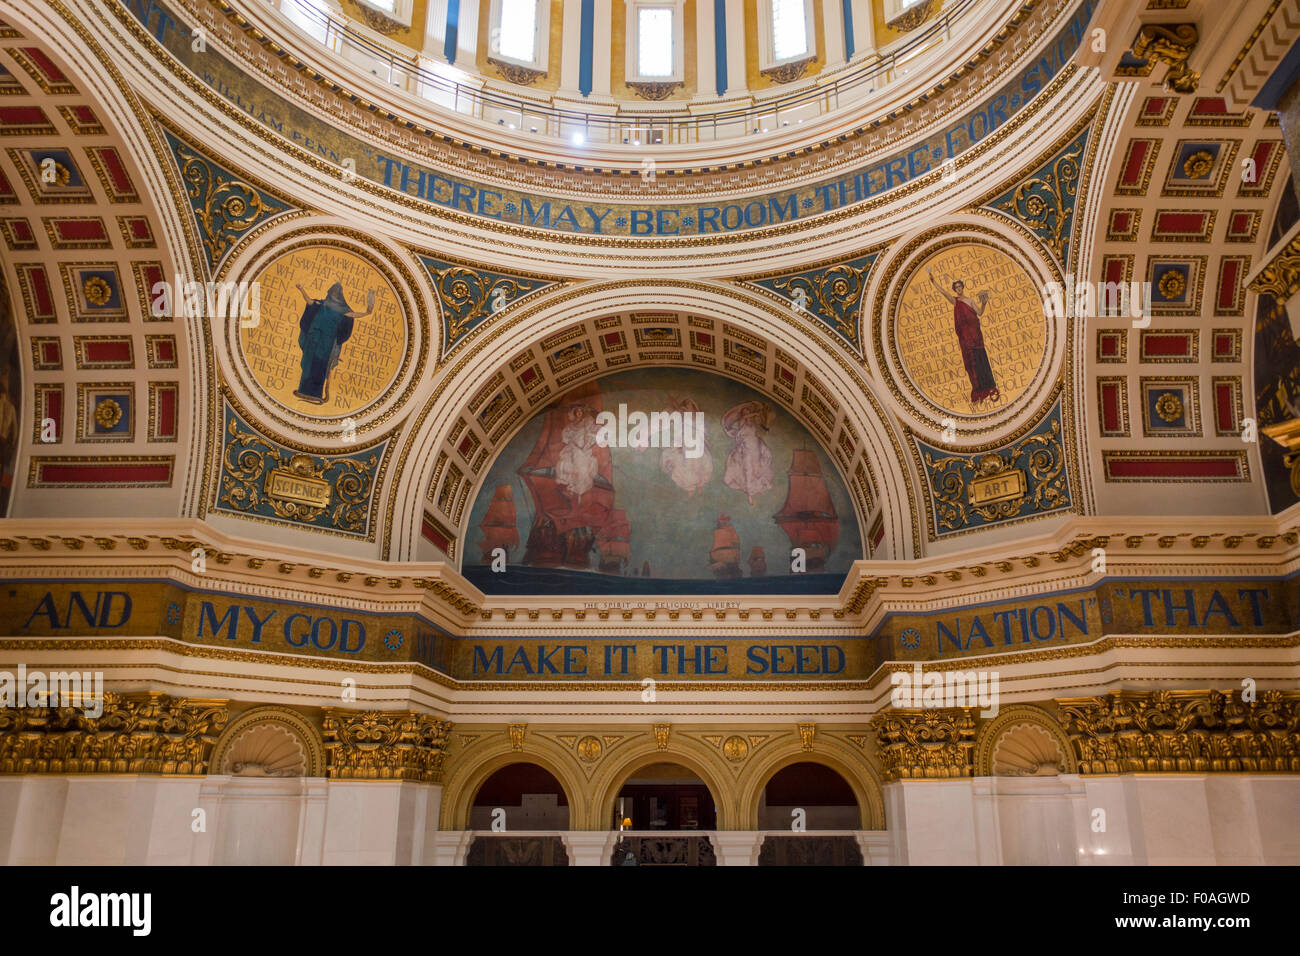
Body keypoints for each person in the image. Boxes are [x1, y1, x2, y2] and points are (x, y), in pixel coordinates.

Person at [293, 282, 376, 404]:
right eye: (333, 291)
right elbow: (309, 301)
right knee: (308, 364)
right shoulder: (322, 304)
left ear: (340, 295)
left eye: (337, 292)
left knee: (320, 365)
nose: (334, 294)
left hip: (326, 343)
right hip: (313, 338)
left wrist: (367, 312)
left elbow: (354, 315)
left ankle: (316, 393)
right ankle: (303, 389)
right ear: (330, 292)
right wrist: (301, 289)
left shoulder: (343, 310)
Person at [928, 267, 999, 407]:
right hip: (967, 339)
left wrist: (984, 303)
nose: (959, 289)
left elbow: (979, 312)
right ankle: (979, 389)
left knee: (981, 359)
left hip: (977, 336)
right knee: (972, 362)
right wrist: (933, 281)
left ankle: (989, 385)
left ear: (963, 287)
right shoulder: (956, 301)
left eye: (960, 287)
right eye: (956, 287)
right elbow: (943, 293)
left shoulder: (970, 300)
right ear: (955, 290)